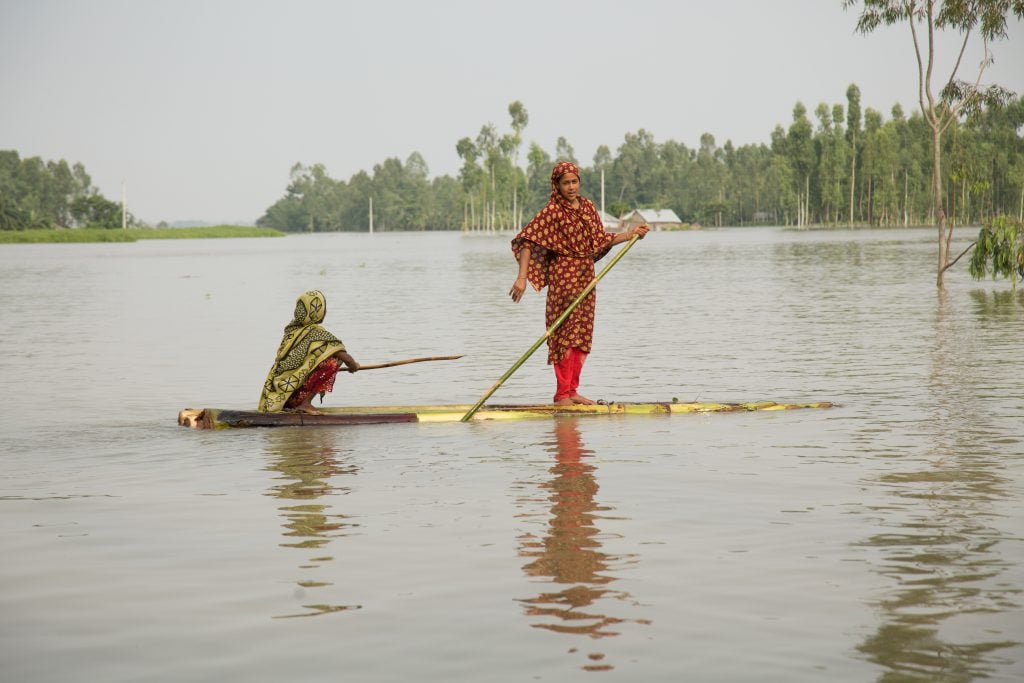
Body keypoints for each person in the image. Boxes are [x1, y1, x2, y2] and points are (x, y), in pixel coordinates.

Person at [509, 161, 648, 406]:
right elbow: (527, 241)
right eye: (566, 183)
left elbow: (599, 239)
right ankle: (562, 394)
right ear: (557, 185)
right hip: (564, 278)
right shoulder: (552, 211)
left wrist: (631, 234)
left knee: (582, 334)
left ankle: (572, 391)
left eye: (574, 182)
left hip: (586, 277)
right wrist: (522, 278)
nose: (571, 187)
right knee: (564, 334)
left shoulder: (587, 207)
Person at [258, 289, 360, 414]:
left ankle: (297, 404)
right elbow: (346, 358)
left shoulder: (291, 331)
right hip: (295, 396)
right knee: (334, 360)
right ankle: (305, 403)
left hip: (279, 397)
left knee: (324, 356)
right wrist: (354, 366)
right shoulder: (317, 333)